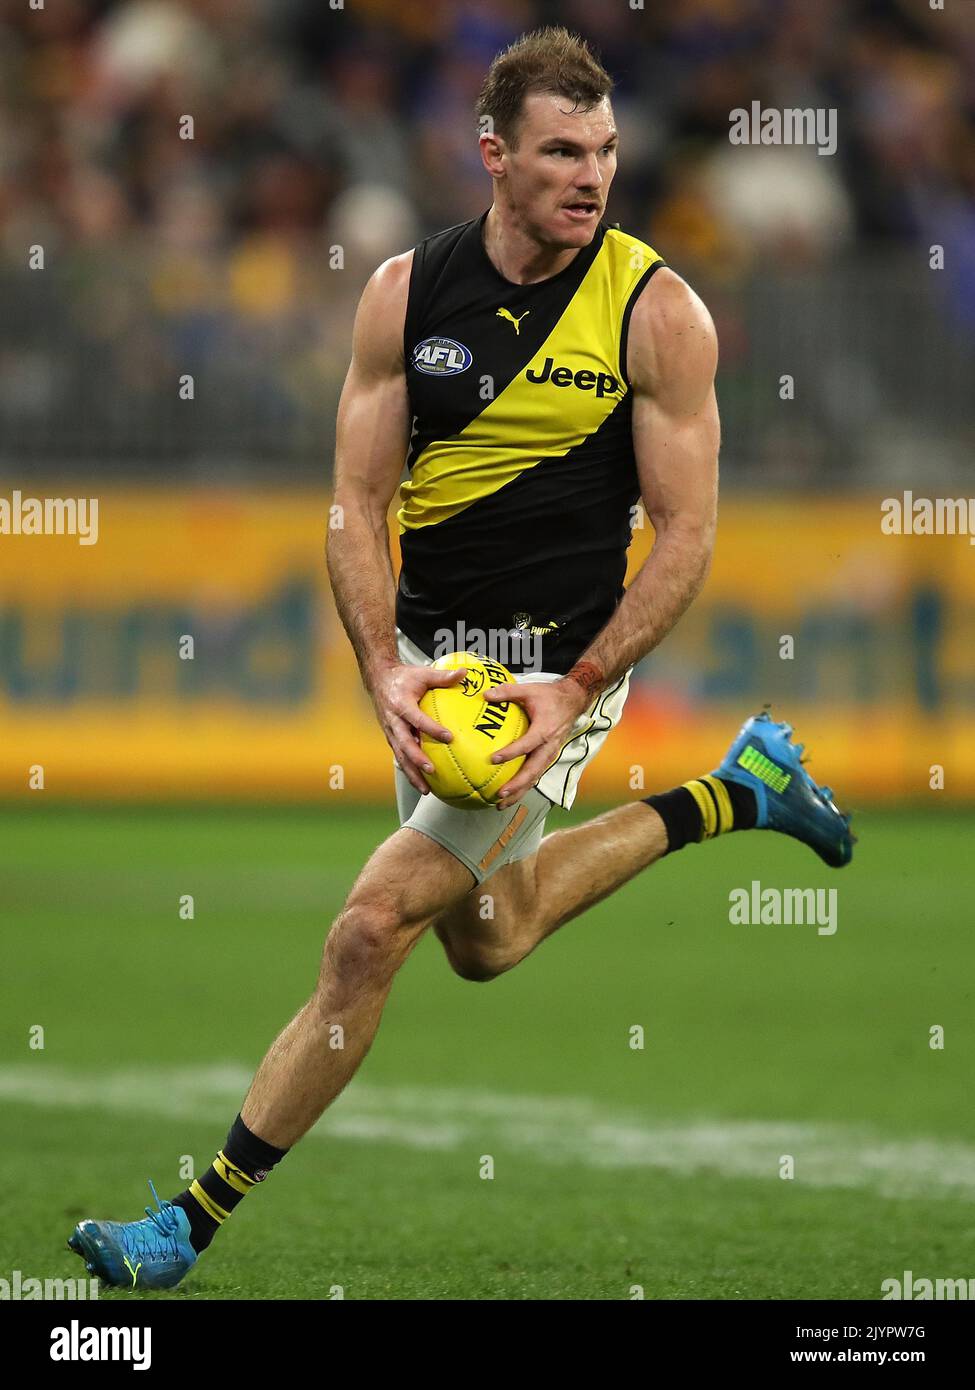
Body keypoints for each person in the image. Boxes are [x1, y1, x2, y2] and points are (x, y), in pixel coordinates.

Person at [68, 26, 852, 1291]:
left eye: (603, 151)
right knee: (488, 940)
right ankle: (736, 792)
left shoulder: (660, 315)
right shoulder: (403, 295)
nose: (590, 175)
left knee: (369, 929)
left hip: (558, 675)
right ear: (491, 154)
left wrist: (579, 689)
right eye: (558, 151)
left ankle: (186, 1222)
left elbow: (690, 532)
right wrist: (385, 668)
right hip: (437, 677)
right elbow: (350, 507)